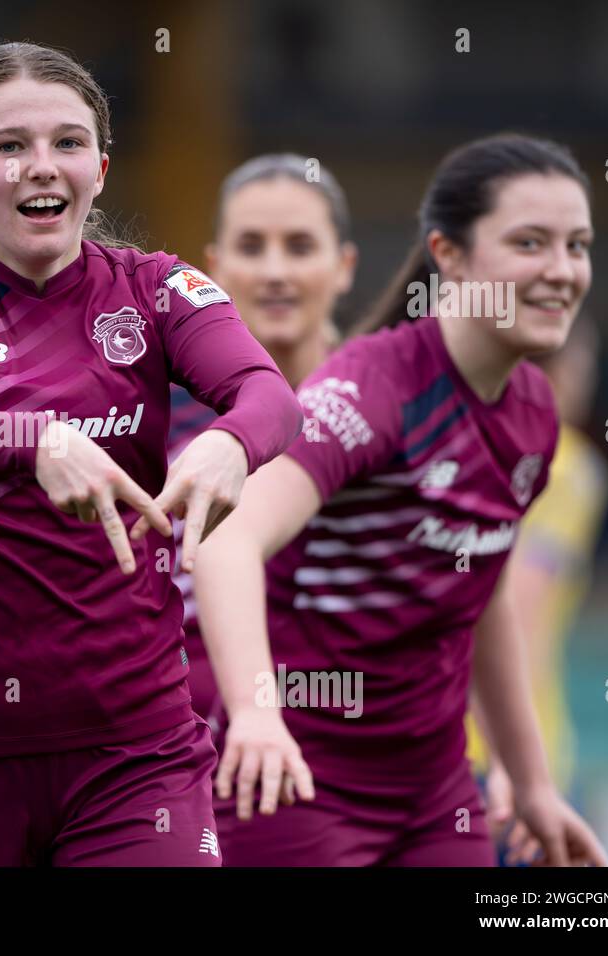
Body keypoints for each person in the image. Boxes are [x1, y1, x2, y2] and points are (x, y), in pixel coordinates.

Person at [0, 41, 301, 866]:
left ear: (100, 167)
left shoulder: (158, 288)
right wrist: (37, 441)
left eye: (67, 143)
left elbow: (269, 398)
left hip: (136, 749)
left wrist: (232, 444)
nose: (40, 167)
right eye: (8, 146)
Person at [194, 133, 608, 866]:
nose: (560, 271)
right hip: (298, 782)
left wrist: (534, 782)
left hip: (437, 794)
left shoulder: (535, 413)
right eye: (529, 243)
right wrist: (257, 713)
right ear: (448, 255)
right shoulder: (371, 387)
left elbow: (482, 599)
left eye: (576, 246)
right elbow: (228, 541)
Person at [168, 154, 357, 728]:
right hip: (183, 754)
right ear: (215, 266)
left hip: (348, 749)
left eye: (300, 246)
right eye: (252, 247)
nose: (275, 270)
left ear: (344, 265)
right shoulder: (153, 410)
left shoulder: (385, 408)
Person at [469, 319, 608, 863]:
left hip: (441, 755)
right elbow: (519, 612)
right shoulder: (569, 466)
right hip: (515, 759)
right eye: (584, 365)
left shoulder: (464, 449)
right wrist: (528, 769)